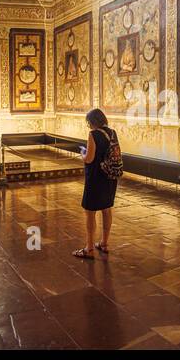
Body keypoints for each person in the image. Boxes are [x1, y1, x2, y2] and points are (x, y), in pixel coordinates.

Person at [75, 108, 119, 259]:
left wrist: (82, 154)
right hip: (110, 175)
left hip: (96, 177)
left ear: (92, 122)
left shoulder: (93, 134)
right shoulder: (112, 132)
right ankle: (104, 243)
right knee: (106, 209)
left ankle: (89, 248)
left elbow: (89, 159)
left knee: (90, 211)